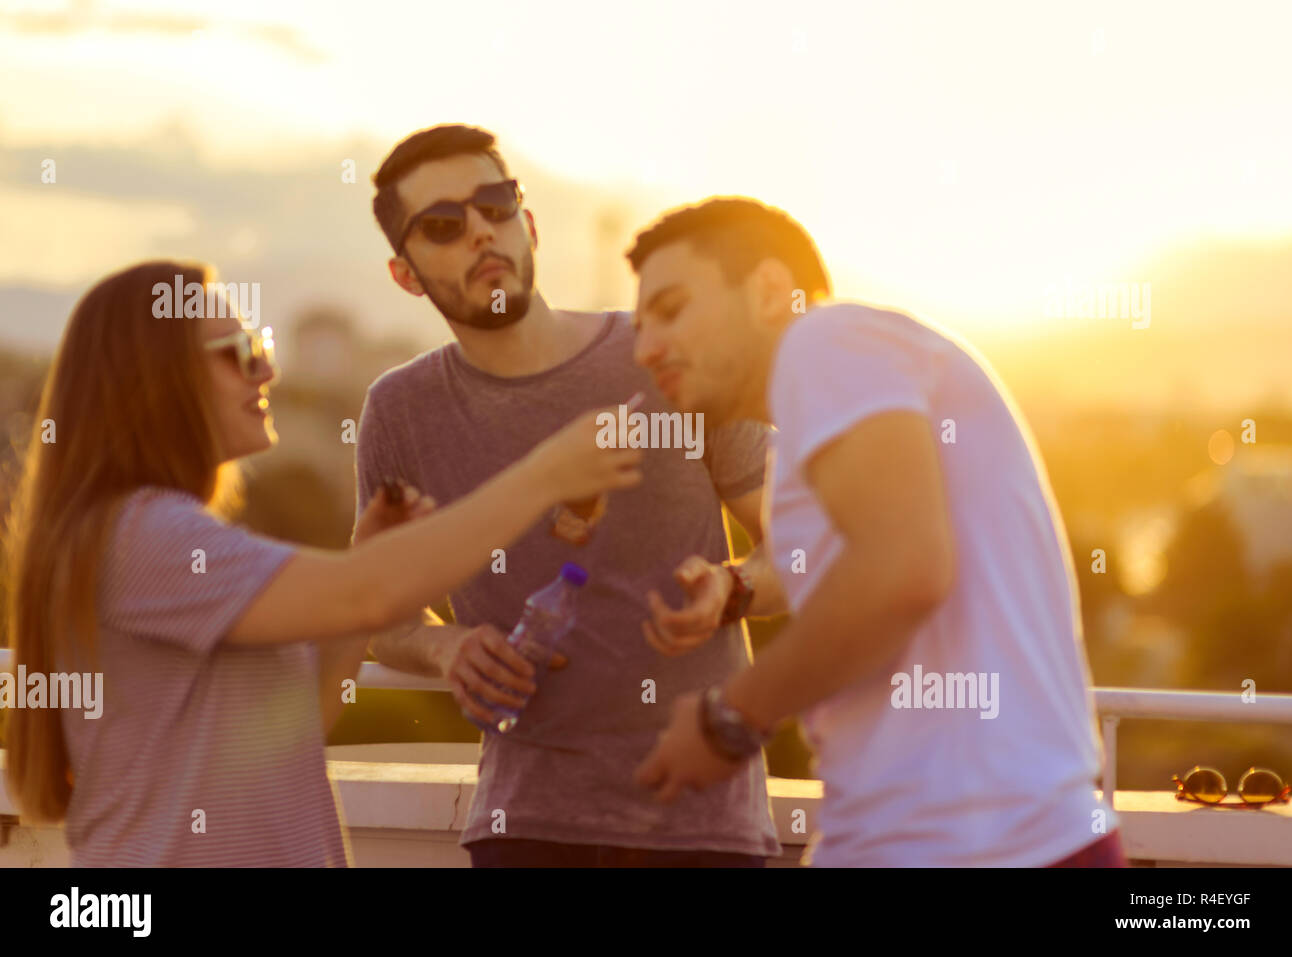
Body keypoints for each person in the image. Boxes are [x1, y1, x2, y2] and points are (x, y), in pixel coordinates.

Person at [2, 259, 637, 866]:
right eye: (241, 353)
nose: (267, 371)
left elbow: (296, 720)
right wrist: (545, 475)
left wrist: (367, 561)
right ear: (155, 380)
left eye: (264, 346)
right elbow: (362, 595)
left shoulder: (152, 533)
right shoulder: (143, 535)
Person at [628, 198, 1125, 867]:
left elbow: (904, 570)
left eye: (671, 308)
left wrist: (729, 717)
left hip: (993, 846)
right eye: (638, 325)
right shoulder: (811, 441)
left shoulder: (825, 341)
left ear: (772, 291)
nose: (645, 347)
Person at [358, 125, 783, 866]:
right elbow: (375, 604)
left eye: (494, 203)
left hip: (704, 824)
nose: (479, 231)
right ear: (405, 273)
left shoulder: (666, 354)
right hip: (523, 829)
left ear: (528, 223)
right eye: (443, 225)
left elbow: (811, 548)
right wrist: (443, 645)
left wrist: (732, 588)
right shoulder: (400, 410)